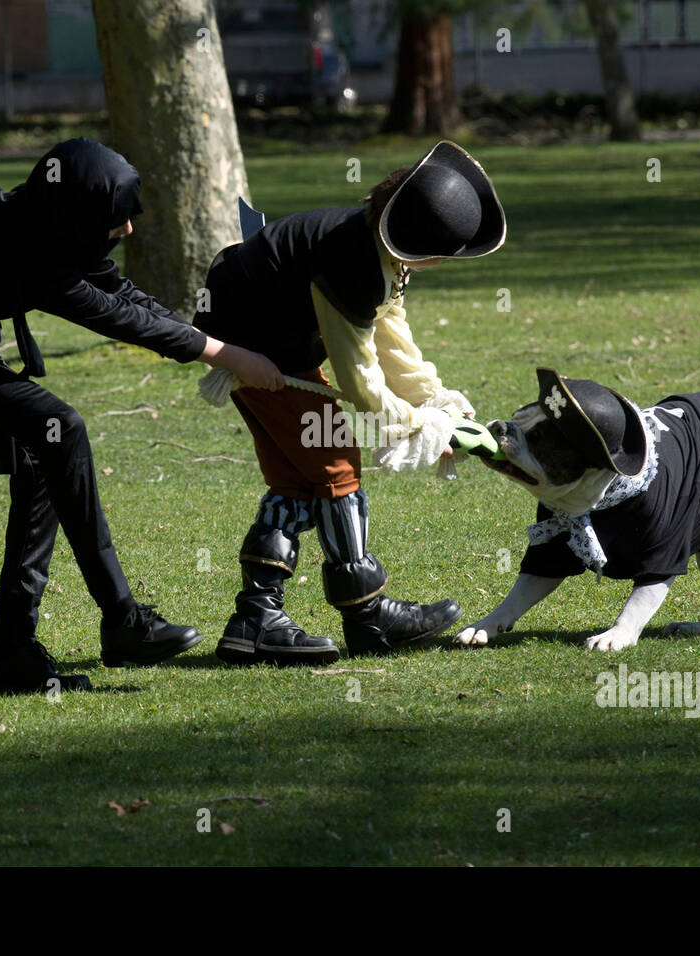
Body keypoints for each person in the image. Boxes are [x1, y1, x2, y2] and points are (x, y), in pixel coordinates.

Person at [0, 138, 284, 694]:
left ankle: (14, 654)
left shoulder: (54, 221)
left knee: (44, 456)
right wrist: (226, 356)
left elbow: (123, 292)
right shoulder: (30, 246)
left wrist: (217, 342)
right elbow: (116, 317)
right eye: (116, 219)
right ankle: (121, 621)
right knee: (59, 429)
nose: (128, 230)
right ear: (79, 214)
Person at [194, 141, 507, 666]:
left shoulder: (374, 246)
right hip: (256, 351)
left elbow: (390, 331)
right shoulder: (351, 264)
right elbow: (361, 384)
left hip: (262, 341)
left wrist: (434, 396)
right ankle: (367, 615)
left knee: (297, 481)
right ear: (425, 251)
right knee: (338, 467)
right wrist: (423, 425)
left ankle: (255, 619)